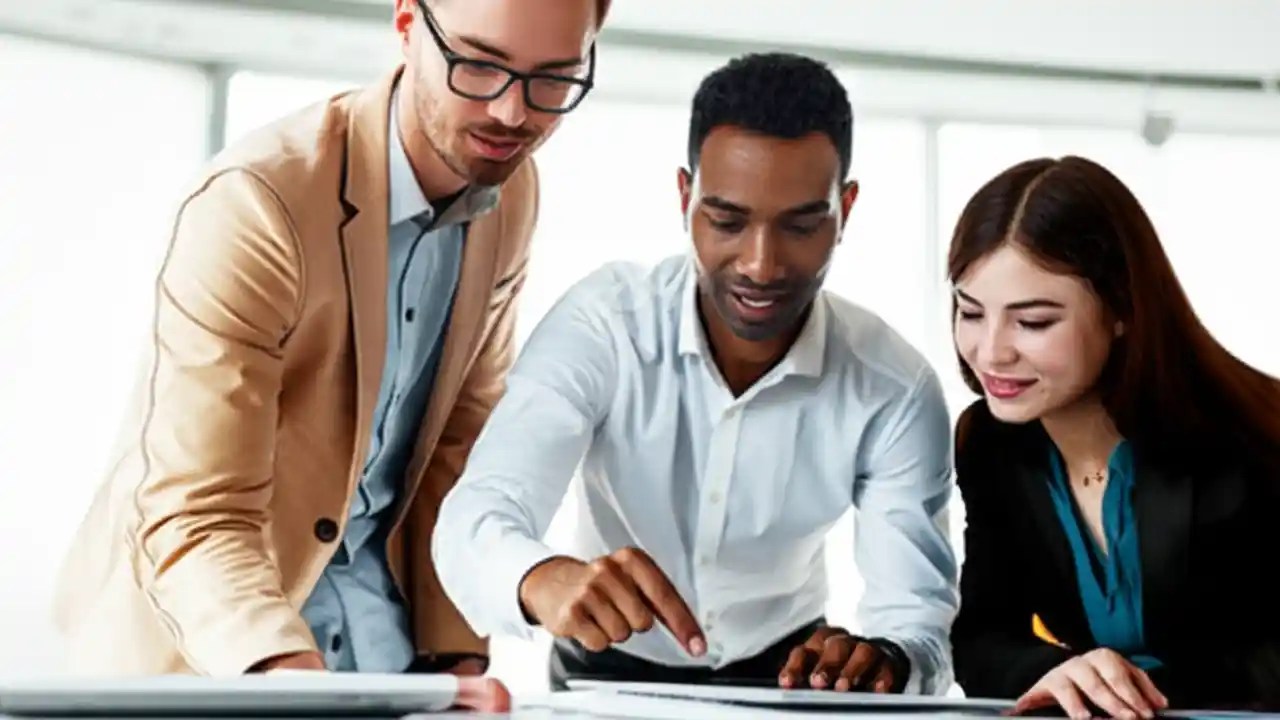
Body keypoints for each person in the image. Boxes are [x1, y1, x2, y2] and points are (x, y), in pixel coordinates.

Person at [52, 0, 610, 677]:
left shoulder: (512, 191)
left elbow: (457, 448)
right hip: (217, 661)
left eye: (554, 78)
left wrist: (457, 663)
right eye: (478, 64)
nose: (512, 113)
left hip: (384, 653)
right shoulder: (257, 201)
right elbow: (196, 513)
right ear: (407, 24)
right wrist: (297, 688)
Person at [432, 52, 959, 695]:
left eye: (800, 224)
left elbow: (918, 621)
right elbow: (476, 517)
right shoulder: (605, 325)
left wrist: (890, 658)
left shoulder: (894, 387)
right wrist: (540, 577)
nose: (761, 266)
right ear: (685, 199)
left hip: (793, 679)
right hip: (600, 677)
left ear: (845, 209)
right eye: (727, 221)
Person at [947, 155, 1280, 717]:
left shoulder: (1249, 439)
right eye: (971, 312)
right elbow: (981, 638)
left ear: (1122, 309)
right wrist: (1058, 672)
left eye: (1033, 322)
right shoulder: (992, 443)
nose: (991, 352)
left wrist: (1128, 687)